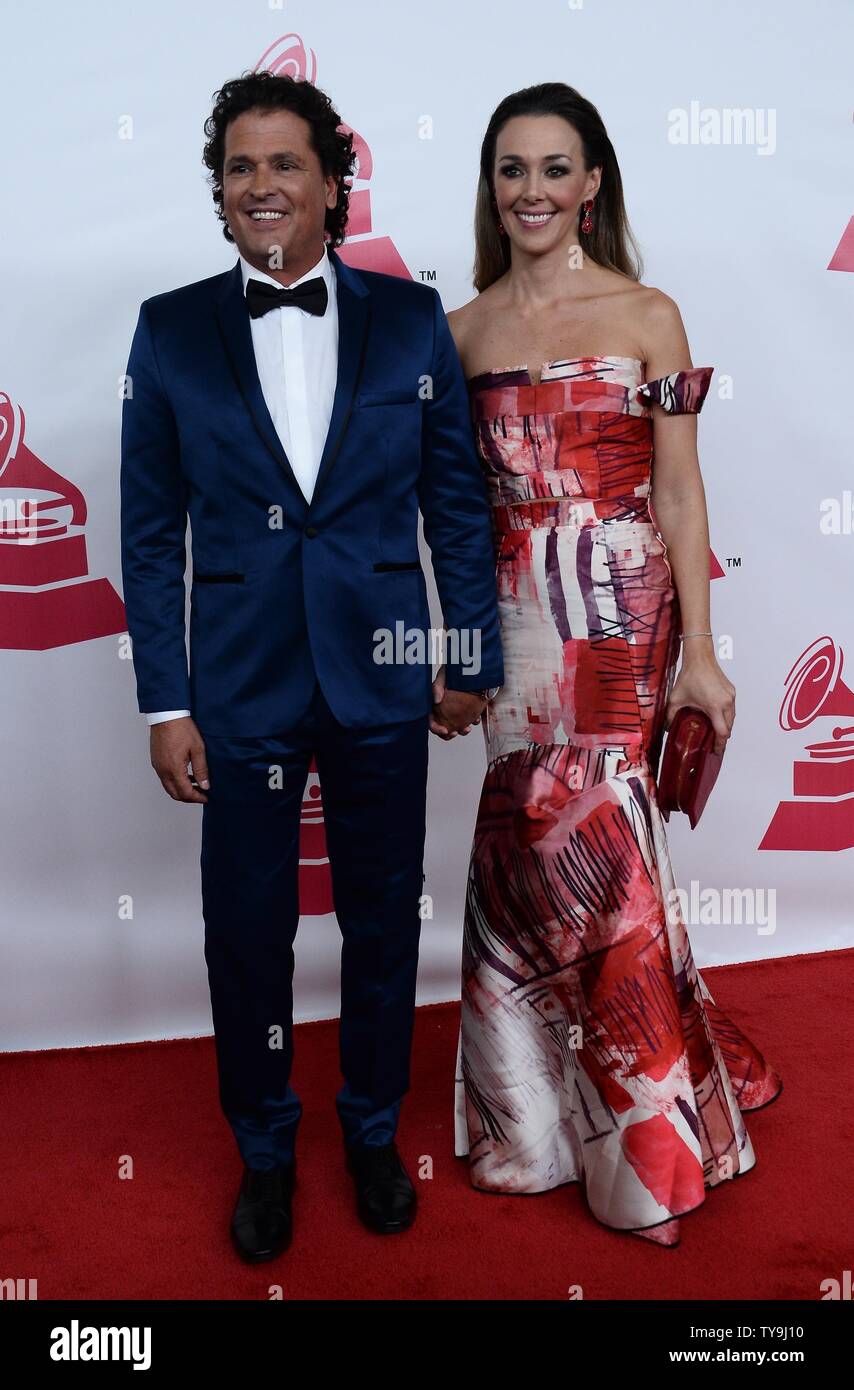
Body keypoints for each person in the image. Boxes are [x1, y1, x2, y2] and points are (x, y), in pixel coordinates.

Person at [120, 70, 502, 1263]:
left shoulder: (410, 320)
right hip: (237, 688)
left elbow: (455, 504)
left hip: (384, 673)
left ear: (334, 185)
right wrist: (166, 700)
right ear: (219, 191)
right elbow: (149, 531)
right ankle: (265, 1150)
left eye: (286, 163)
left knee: (382, 922)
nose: (262, 185)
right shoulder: (168, 329)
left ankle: (373, 1132)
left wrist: (465, 651)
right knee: (247, 932)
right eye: (240, 166)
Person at [445, 82, 782, 1247]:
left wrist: (701, 656)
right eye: (511, 169)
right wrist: (454, 643)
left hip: (620, 609)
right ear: (491, 187)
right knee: (526, 846)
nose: (530, 190)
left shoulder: (646, 314)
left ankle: (643, 1146)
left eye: (554, 167)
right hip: (511, 614)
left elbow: (679, 490)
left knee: (606, 841)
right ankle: (531, 1123)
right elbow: (450, 513)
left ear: (591, 184)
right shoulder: (461, 332)